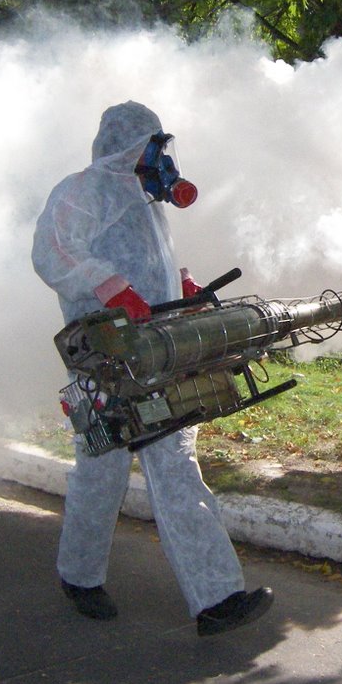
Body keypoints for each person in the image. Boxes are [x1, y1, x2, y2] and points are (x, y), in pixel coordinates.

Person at [32, 101, 273, 637]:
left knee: (176, 466)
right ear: (125, 144)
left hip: (154, 352)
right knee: (102, 471)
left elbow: (147, 260)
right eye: (152, 144)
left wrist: (179, 286)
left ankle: (217, 599)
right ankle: (80, 577)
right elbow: (52, 253)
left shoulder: (143, 200)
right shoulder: (81, 191)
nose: (160, 156)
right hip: (103, 355)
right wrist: (107, 285)